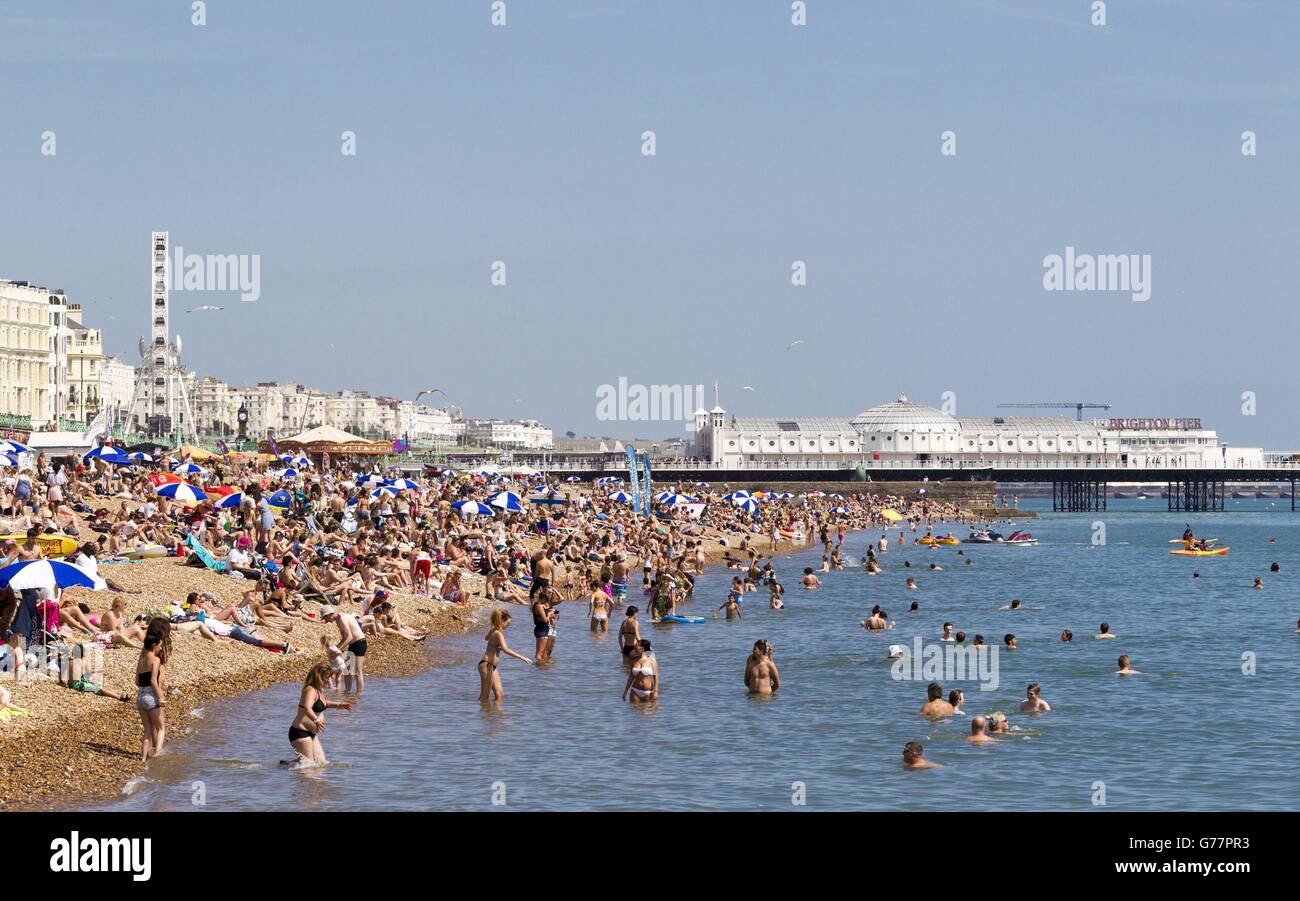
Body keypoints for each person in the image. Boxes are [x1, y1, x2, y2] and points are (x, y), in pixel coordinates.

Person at [287, 662, 351, 766]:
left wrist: (340, 705)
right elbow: (307, 707)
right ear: (318, 676)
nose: (329, 680)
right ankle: (284, 767)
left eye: (329, 677)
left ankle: (285, 765)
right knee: (308, 765)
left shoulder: (319, 690)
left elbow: (324, 703)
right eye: (327, 677)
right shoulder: (310, 690)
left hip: (311, 733)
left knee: (321, 763)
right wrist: (316, 721)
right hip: (300, 732)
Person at [135, 617, 171, 763]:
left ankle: (148, 753)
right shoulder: (156, 648)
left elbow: (138, 676)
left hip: (143, 692)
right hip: (153, 689)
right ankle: (156, 751)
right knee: (158, 724)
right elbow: (156, 672)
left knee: (149, 727)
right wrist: (160, 693)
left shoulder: (147, 648)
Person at [478, 608, 532, 702]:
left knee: (500, 695)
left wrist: (495, 647)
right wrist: (522, 657)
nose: (508, 625)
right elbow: (506, 649)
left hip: (491, 666)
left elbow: (486, 638)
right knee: (484, 697)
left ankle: (494, 715)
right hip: (487, 665)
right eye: (508, 623)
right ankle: (481, 715)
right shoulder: (498, 633)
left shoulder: (493, 630)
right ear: (502, 621)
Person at [322, 608, 367, 693]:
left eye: (326, 618)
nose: (327, 621)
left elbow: (349, 637)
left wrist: (338, 650)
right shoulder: (338, 620)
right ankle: (347, 692)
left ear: (329, 614)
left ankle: (359, 694)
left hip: (360, 643)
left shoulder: (342, 618)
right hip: (352, 644)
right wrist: (335, 649)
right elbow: (344, 638)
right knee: (348, 671)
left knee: (357, 671)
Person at [621, 638, 658, 703]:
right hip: (635, 690)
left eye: (636, 646)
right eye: (635, 646)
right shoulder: (633, 660)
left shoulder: (652, 660)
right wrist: (625, 691)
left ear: (642, 648)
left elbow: (656, 677)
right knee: (634, 711)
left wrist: (655, 692)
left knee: (647, 711)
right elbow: (631, 677)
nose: (634, 647)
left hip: (648, 692)